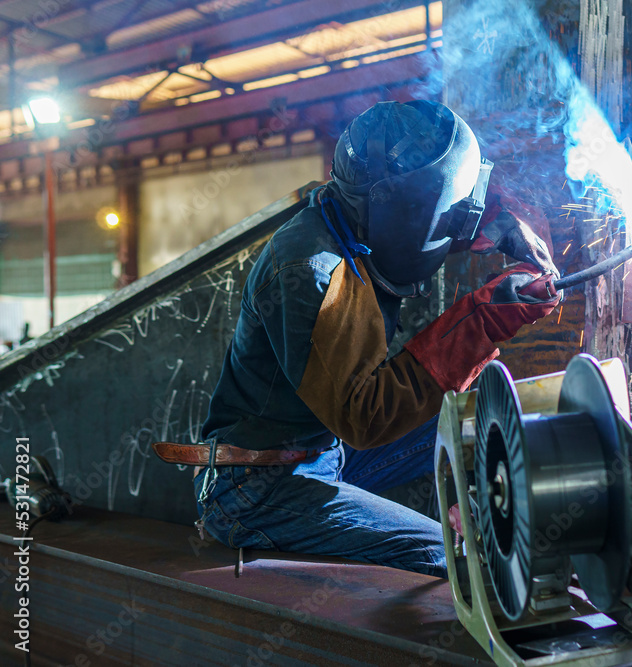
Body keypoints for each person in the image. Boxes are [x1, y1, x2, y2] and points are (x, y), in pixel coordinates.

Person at [155, 100, 560, 578]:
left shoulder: (353, 216)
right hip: (256, 488)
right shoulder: (311, 273)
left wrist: (501, 223)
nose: (455, 219)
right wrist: (485, 320)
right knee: (444, 554)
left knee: (469, 419)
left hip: (323, 452)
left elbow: (423, 219)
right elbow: (366, 416)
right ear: (402, 210)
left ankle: (489, 515)